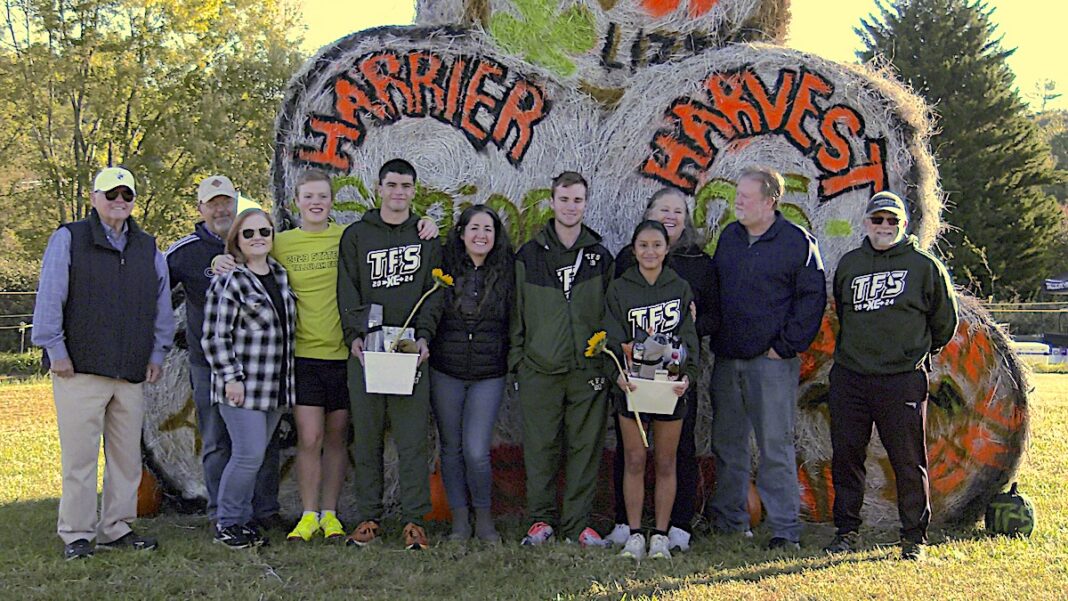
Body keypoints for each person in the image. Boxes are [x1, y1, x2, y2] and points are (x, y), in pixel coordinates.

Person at [32, 167, 175, 560]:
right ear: (94, 198)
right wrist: (55, 350)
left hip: (130, 372)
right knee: (79, 460)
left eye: (126, 194)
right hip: (79, 369)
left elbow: (161, 305)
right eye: (111, 194)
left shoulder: (148, 247)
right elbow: (50, 296)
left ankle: (116, 528)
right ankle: (76, 534)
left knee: (126, 460)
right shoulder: (69, 238)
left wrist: (158, 353)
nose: (119, 201)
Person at [824, 191, 958, 561]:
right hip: (851, 377)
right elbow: (842, 312)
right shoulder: (850, 264)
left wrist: (912, 354)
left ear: (904, 224)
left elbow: (944, 322)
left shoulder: (924, 266)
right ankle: (846, 531)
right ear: (865, 222)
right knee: (847, 456)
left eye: (892, 220)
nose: (884, 226)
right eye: (877, 219)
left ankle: (914, 538)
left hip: (901, 379)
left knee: (908, 460)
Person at [707, 166, 826, 550]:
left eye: (745, 196)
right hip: (728, 360)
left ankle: (784, 530)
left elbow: (812, 299)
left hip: (771, 363)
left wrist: (784, 347)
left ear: (770, 200)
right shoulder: (730, 237)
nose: (737, 201)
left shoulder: (797, 242)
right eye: (736, 195)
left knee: (775, 447)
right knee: (728, 444)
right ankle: (731, 522)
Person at [337, 159, 444, 550]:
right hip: (368, 351)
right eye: (392, 185)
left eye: (406, 186)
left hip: (410, 351)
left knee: (412, 440)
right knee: (367, 438)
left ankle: (414, 521)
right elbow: (347, 288)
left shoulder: (426, 237)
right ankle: (369, 518)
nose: (399, 192)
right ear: (379, 188)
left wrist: (426, 337)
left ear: (414, 191)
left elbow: (435, 292)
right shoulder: (356, 236)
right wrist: (354, 335)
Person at [166, 175, 282, 533]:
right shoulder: (184, 252)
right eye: (212, 203)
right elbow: (153, 296)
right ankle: (223, 514)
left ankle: (264, 510)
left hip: (260, 367)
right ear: (200, 208)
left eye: (226, 201)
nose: (221, 209)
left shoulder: (257, 240)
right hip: (210, 366)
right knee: (217, 440)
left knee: (264, 442)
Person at [605, 188, 715, 553]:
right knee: (634, 458)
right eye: (643, 245)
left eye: (656, 246)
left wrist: (688, 377)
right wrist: (616, 373)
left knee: (668, 461)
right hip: (634, 389)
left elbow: (690, 339)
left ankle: (664, 535)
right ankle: (634, 532)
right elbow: (610, 336)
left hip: (670, 388)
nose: (650, 252)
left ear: (667, 249)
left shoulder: (680, 287)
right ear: (634, 249)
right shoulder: (620, 288)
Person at [510, 171, 615, 547]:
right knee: (541, 449)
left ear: (586, 204)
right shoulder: (529, 255)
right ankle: (540, 520)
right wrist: (519, 362)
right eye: (564, 199)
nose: (571, 207)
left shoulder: (600, 256)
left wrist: (604, 362)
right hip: (540, 369)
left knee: (585, 449)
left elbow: (611, 313)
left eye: (578, 200)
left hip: (587, 371)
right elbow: (515, 311)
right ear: (552, 202)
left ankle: (577, 524)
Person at [202, 208, 296, 549]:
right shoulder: (230, 280)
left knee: (254, 456)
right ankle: (227, 523)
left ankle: (242, 521)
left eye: (264, 232)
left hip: (274, 385)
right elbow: (215, 336)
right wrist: (231, 377)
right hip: (242, 385)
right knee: (248, 455)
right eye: (249, 233)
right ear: (237, 241)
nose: (258, 238)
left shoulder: (280, 275)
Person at [430, 205, 514, 543]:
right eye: (474, 228)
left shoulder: (508, 271)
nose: (481, 235)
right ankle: (460, 520)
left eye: (488, 229)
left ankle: (484, 518)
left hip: (488, 373)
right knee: (451, 449)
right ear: (462, 233)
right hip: (446, 370)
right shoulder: (444, 265)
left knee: (476, 450)